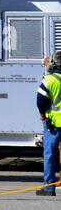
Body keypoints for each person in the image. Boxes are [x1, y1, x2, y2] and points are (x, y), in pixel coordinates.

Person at [36, 52, 61, 196]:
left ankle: (49, 187)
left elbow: (40, 100)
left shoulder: (49, 80)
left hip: (53, 124)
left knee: (50, 155)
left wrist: (42, 115)